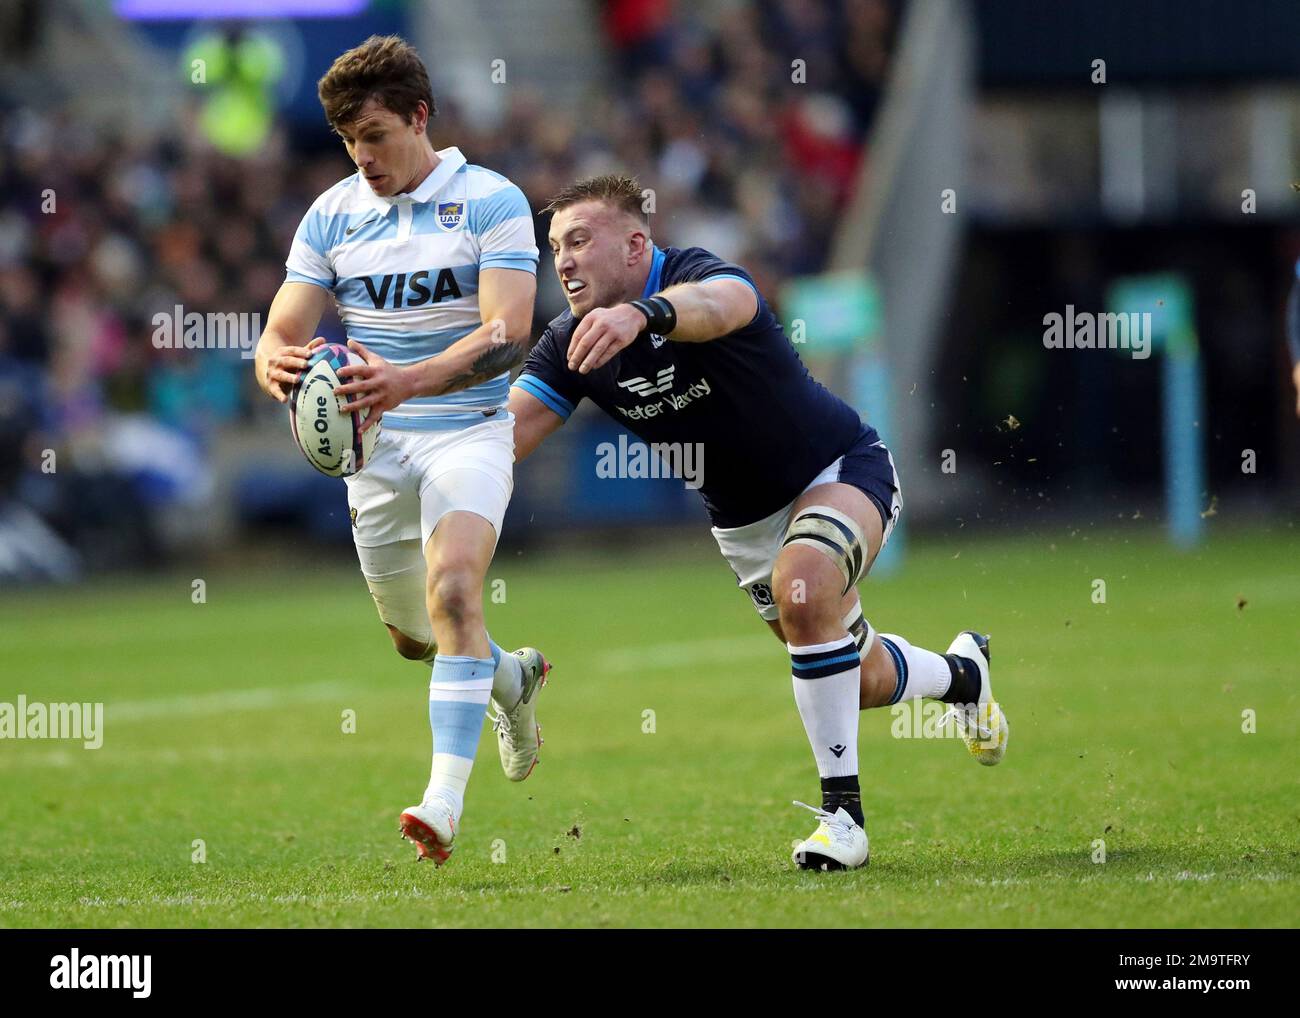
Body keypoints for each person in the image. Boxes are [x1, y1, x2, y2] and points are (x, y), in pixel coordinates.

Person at [508, 174, 1008, 871]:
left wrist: (645, 315)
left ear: (635, 245)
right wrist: (401, 450)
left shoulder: (695, 275)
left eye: (580, 241)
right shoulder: (569, 343)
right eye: (555, 245)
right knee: (854, 677)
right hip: (744, 527)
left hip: (837, 469)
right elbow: (502, 440)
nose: (561, 259)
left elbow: (726, 303)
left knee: (803, 585)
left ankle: (844, 820)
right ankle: (962, 675)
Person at [253, 35, 550, 866]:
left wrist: (409, 381)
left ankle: (442, 806)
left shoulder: (491, 201)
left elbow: (507, 335)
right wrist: (275, 362)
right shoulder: (333, 213)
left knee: (456, 589)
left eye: (375, 135)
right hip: (372, 450)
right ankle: (508, 678)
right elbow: (282, 327)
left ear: (421, 117)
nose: (362, 156)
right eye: (348, 140)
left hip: (467, 429)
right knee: (416, 639)